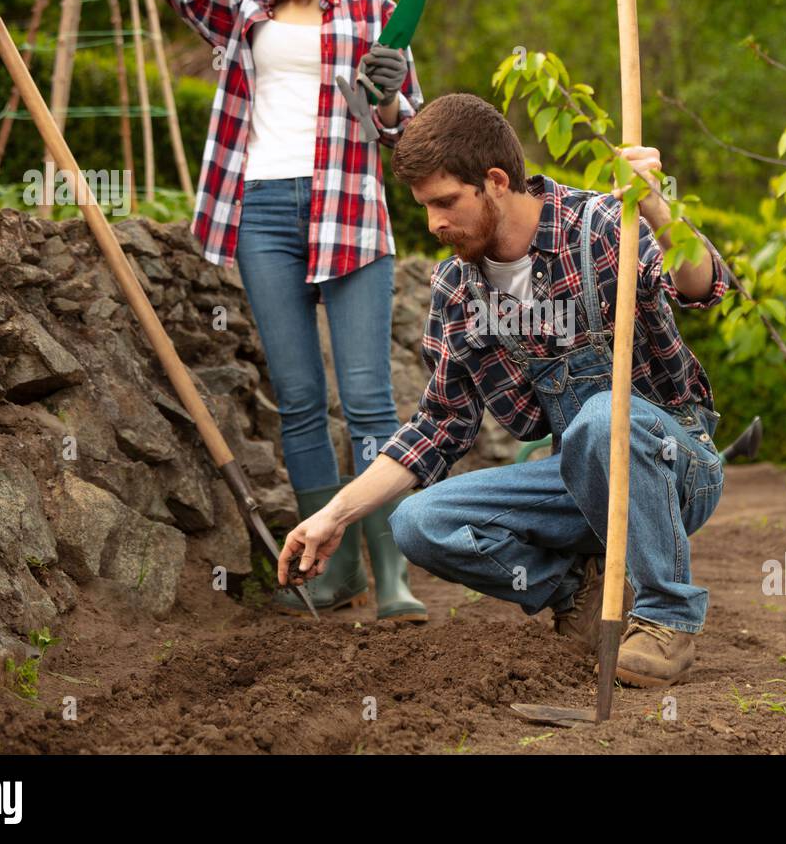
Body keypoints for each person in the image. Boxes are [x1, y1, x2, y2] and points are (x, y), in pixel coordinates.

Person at [278, 93, 729, 686]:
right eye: (424, 207)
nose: (434, 223)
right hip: (577, 480)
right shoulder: (458, 289)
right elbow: (436, 429)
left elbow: (703, 286)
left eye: (445, 202)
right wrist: (334, 516)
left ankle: (666, 618)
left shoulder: (598, 226)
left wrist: (658, 212)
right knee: (418, 521)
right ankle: (577, 592)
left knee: (600, 417)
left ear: (494, 180)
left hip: (675, 468)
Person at [154, 0, 427, 621]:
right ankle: (330, 574)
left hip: (349, 212)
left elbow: (408, 133)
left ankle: (393, 576)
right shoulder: (245, 14)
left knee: (369, 404)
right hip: (262, 211)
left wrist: (394, 101)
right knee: (301, 404)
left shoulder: (371, 7)